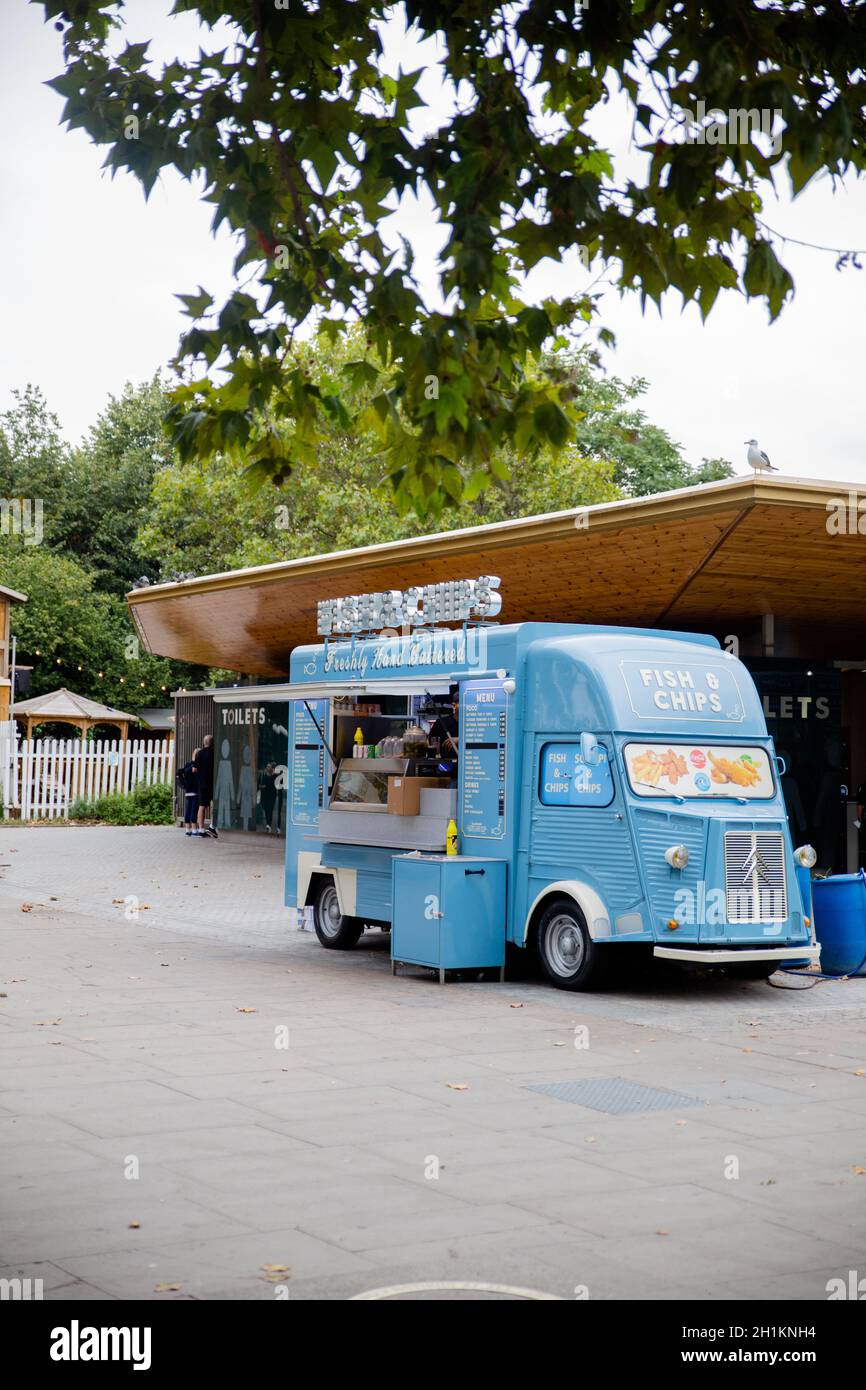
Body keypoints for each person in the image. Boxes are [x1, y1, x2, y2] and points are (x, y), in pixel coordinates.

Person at [196, 734, 218, 839]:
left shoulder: (199, 754)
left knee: (202, 806)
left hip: (202, 783)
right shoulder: (215, 753)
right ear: (213, 743)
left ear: (204, 742)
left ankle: (200, 829)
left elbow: (194, 769)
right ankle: (212, 826)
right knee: (215, 804)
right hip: (213, 783)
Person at [429, 687, 459, 759]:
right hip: (446, 765)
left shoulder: (473, 722)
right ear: (454, 705)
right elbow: (431, 741)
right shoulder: (441, 722)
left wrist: (460, 740)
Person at [177, 749, 199, 836]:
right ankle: (194, 830)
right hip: (195, 792)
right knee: (194, 810)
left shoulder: (187, 765)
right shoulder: (197, 766)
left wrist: (184, 785)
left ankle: (187, 830)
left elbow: (180, 772)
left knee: (188, 810)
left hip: (188, 792)